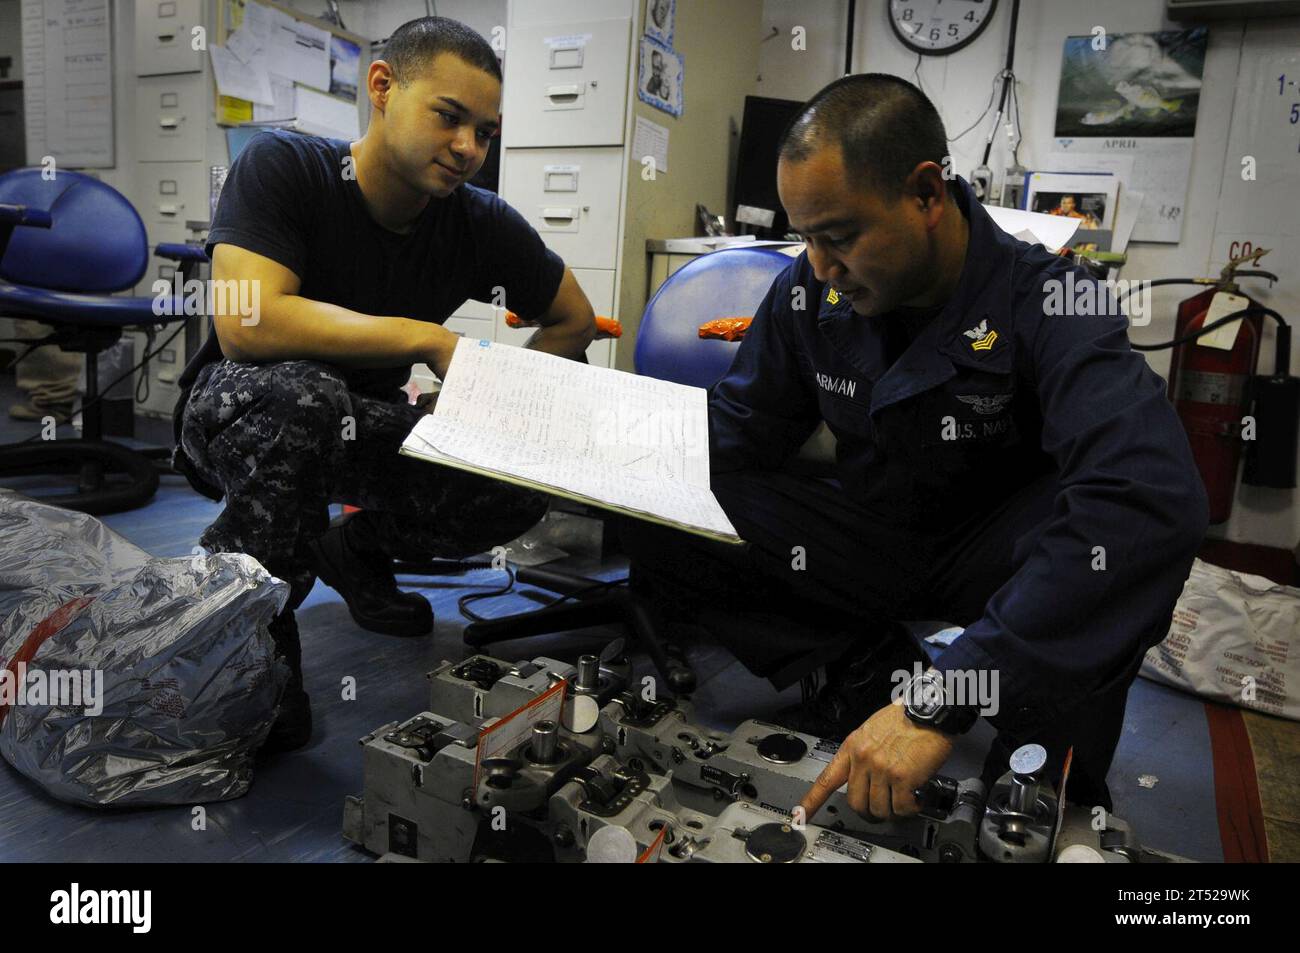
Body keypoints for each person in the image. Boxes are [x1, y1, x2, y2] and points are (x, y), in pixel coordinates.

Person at [619, 74, 1207, 822]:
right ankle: (864, 669)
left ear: (927, 195)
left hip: (1003, 565)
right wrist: (597, 446)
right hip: (874, 538)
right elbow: (735, 435)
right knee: (681, 490)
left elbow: (1153, 500)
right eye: (805, 236)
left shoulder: (1055, 300)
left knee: (1106, 544)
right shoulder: (811, 290)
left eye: (838, 236)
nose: (819, 266)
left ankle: (1040, 780)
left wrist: (945, 697)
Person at [175, 17, 596, 752]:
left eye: (486, 133)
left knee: (517, 483)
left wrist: (477, 401)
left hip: (362, 423)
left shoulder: (481, 223)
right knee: (301, 397)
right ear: (382, 87)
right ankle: (247, 647)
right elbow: (248, 323)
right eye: (450, 116)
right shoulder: (286, 166)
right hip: (245, 408)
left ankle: (355, 545)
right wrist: (426, 338)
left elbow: (574, 319)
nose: (468, 147)